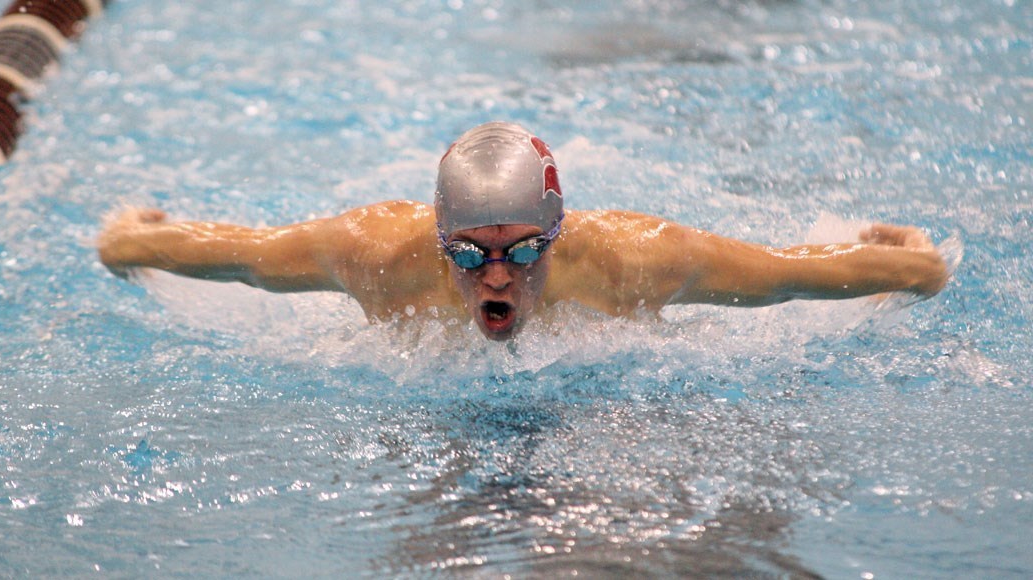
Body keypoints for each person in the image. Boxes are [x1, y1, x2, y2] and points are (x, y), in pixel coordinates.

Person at [97, 121, 950, 341]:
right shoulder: (369, 253)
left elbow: (785, 274)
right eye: (469, 252)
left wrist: (909, 265)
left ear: (560, 232)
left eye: (523, 250)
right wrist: (130, 239)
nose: (496, 276)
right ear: (437, 242)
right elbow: (243, 257)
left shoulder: (637, 260)